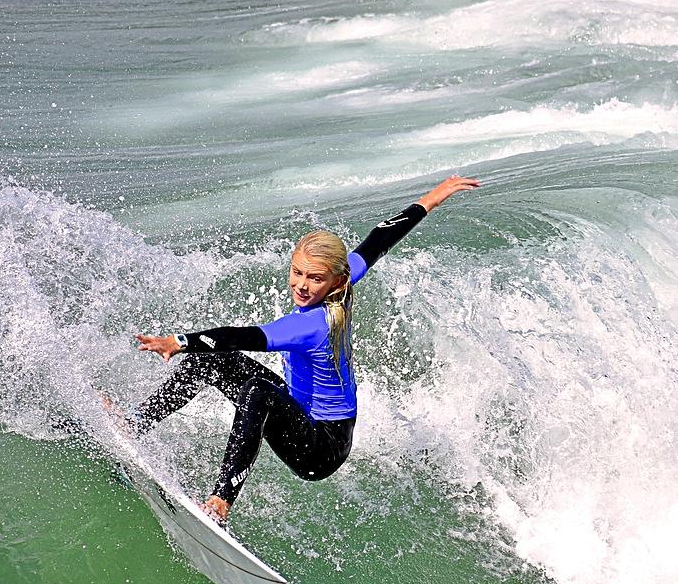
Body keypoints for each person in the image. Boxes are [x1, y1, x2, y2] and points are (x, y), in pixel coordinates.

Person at [129, 175, 481, 526]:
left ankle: (221, 500)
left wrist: (179, 342)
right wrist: (436, 195)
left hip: (323, 447)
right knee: (216, 363)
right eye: (297, 272)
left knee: (258, 392)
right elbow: (381, 238)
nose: (302, 285)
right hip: (303, 411)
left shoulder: (313, 325)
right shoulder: (341, 282)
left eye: (314, 278)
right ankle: (135, 424)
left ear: (335, 281)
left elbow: (241, 336)